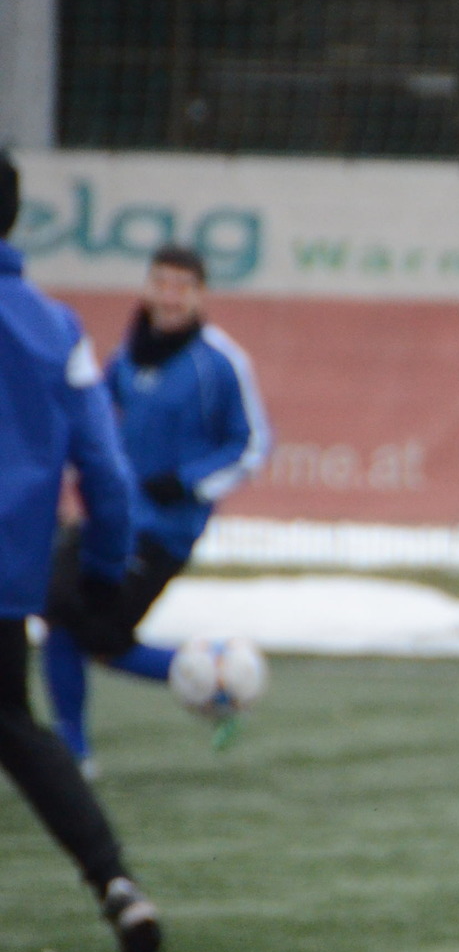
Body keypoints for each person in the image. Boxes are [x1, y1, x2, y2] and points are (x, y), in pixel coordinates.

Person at [0, 151, 163, 952]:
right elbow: (105, 470)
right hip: (7, 580)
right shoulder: (52, 327)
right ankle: (115, 884)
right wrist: (103, 567)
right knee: (16, 726)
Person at [42, 243, 271, 766]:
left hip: (163, 531)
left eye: (181, 287)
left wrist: (187, 482)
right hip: (111, 520)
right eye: (160, 283)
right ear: (147, 288)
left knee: (101, 636)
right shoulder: (128, 353)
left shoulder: (219, 362)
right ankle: (73, 751)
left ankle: (220, 680)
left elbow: (252, 444)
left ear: (199, 295)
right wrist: (84, 485)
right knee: (57, 608)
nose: (169, 297)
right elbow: (97, 420)